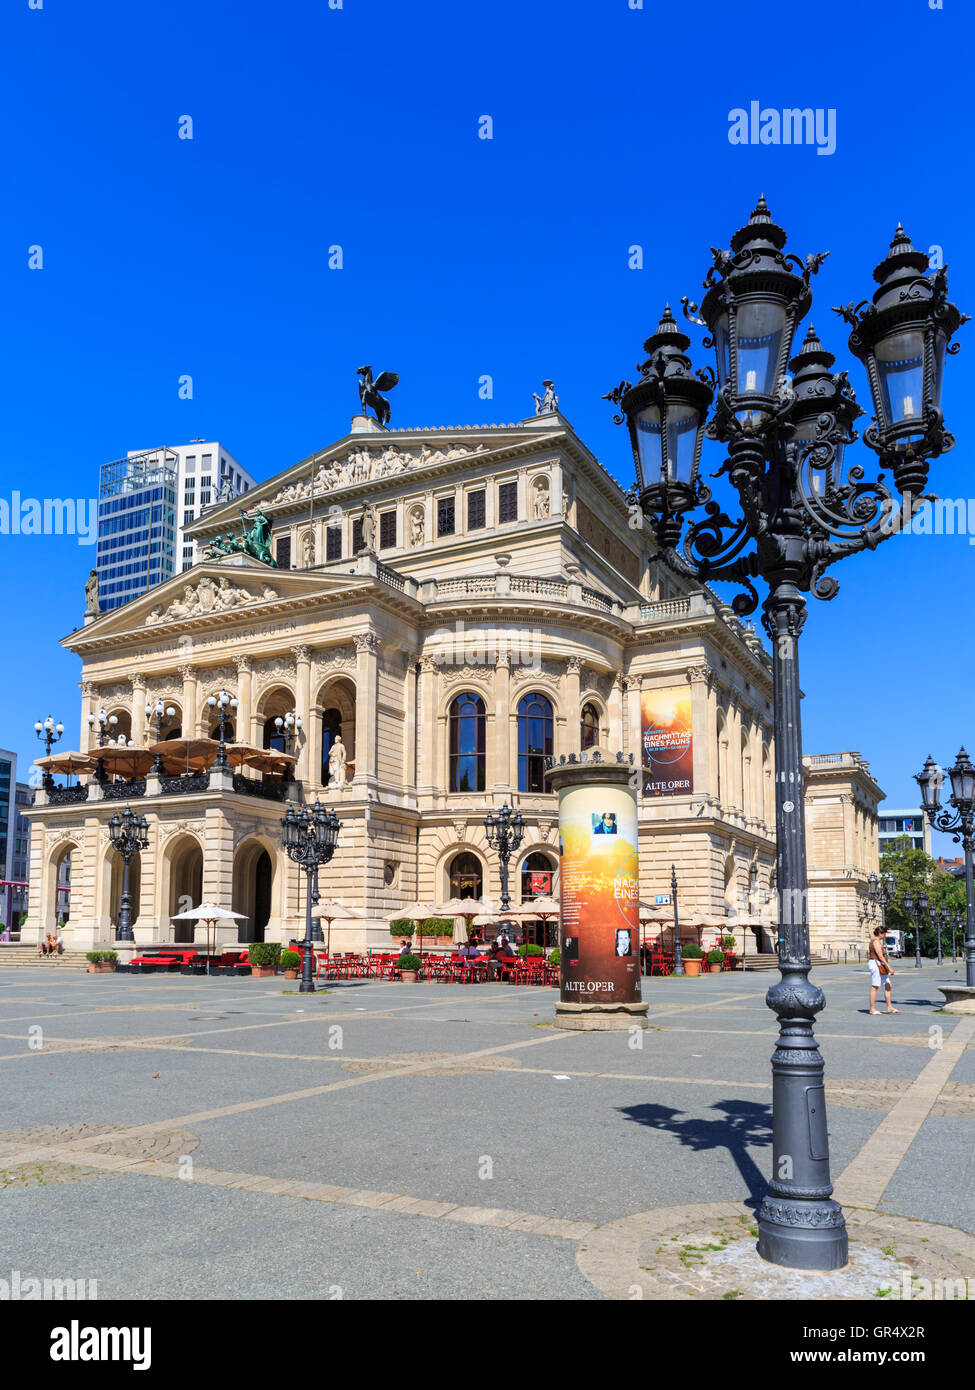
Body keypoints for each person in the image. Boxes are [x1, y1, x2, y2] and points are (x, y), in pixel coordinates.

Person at [868, 925, 898, 1016]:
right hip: (875, 964)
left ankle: (889, 1007)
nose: (885, 935)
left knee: (888, 985)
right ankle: (872, 1009)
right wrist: (889, 967)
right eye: (884, 933)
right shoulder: (876, 942)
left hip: (879, 964)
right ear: (880, 933)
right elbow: (880, 956)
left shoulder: (878, 941)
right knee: (875, 986)